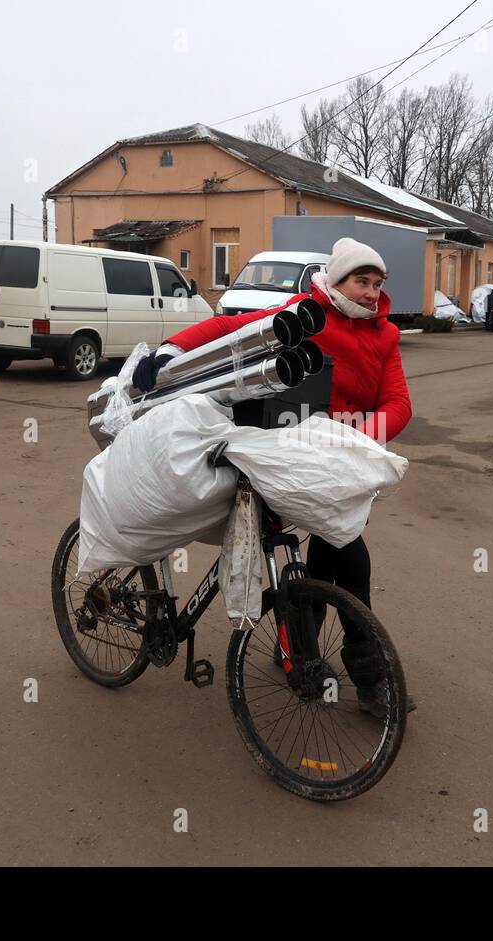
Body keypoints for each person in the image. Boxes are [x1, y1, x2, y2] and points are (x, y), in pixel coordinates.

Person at [133, 237, 414, 716]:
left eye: (377, 284)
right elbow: (230, 328)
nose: (371, 292)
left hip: (338, 462)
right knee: (312, 557)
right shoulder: (305, 314)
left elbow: (398, 403)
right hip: (285, 455)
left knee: (343, 563)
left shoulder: (385, 336)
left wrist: (353, 438)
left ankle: (363, 677)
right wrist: (170, 348)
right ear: (338, 280)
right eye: (361, 281)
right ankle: (308, 657)